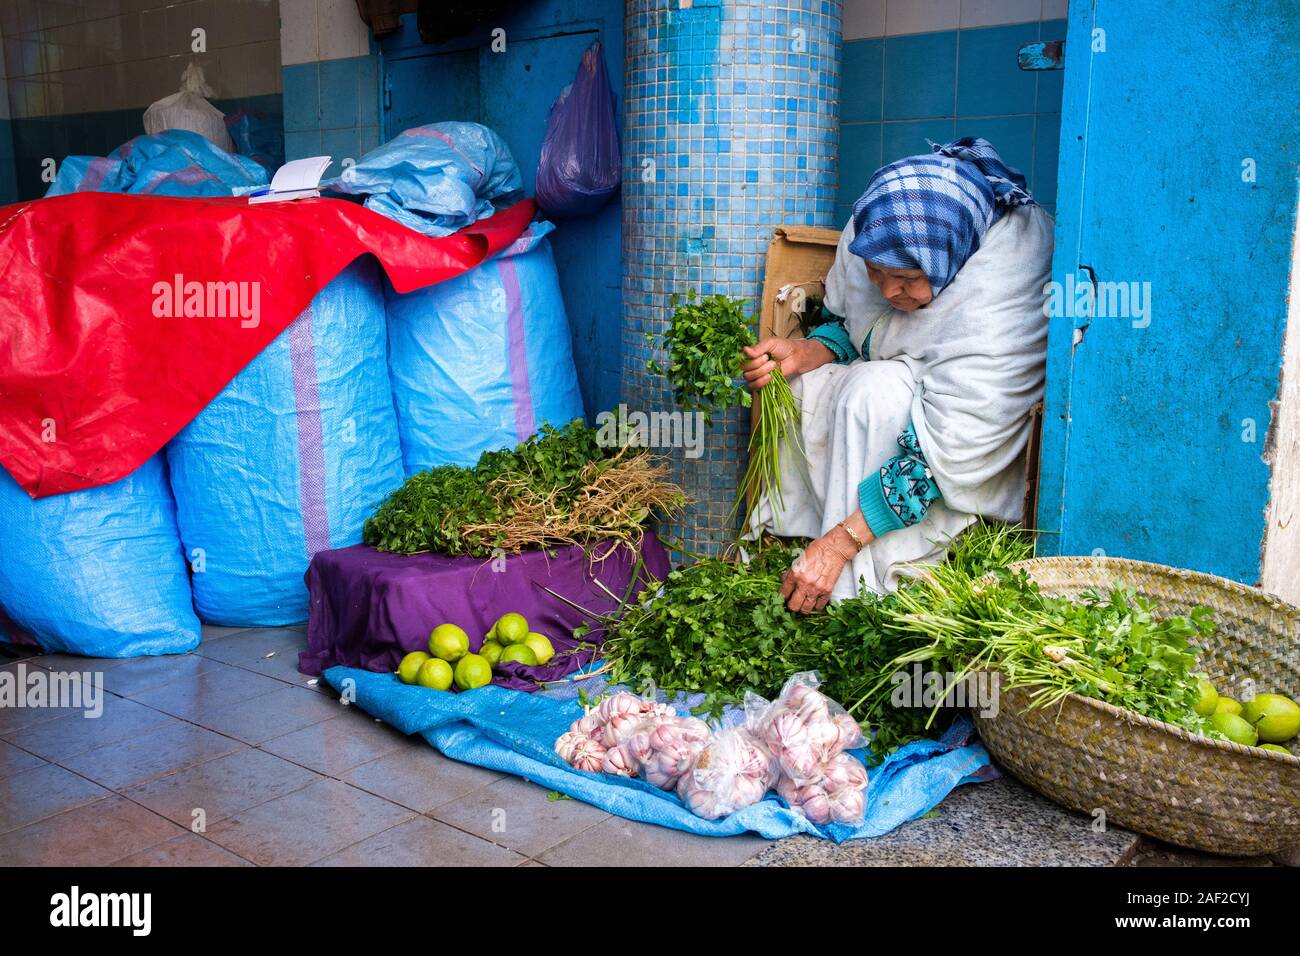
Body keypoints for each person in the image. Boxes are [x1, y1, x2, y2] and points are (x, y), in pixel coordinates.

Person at [740, 138, 1053, 614]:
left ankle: (872, 593)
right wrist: (807, 351)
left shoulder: (998, 301)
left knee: (874, 392)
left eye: (906, 278)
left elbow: (952, 448)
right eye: (875, 271)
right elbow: (859, 328)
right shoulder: (871, 231)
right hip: (895, 404)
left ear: (950, 255)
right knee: (804, 389)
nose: (888, 290)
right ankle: (792, 556)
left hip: (960, 456)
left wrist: (841, 543)